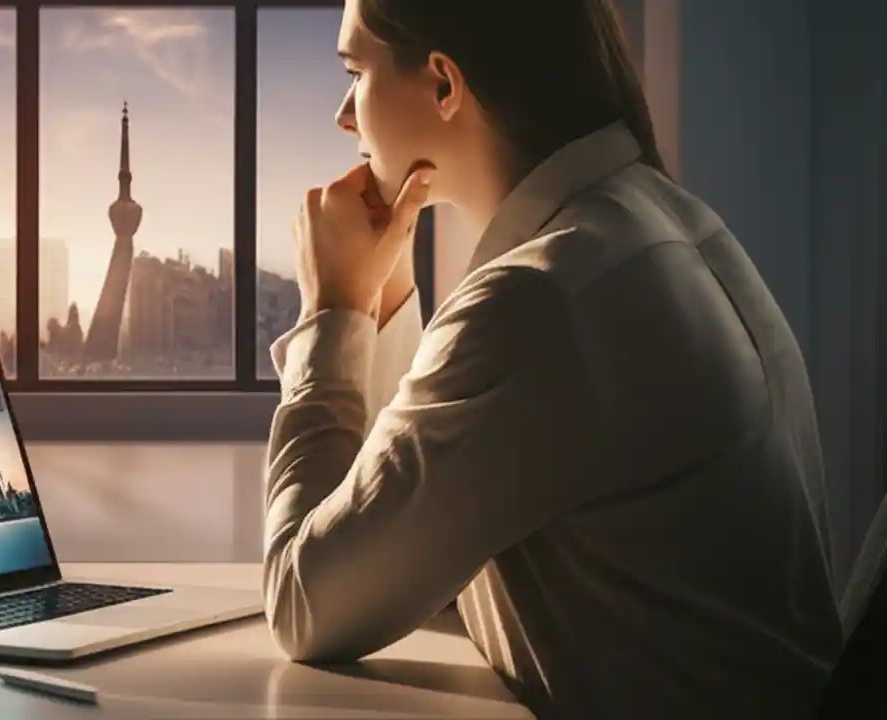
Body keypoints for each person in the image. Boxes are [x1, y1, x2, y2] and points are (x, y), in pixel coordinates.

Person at [263, 1, 845, 717]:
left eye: (355, 72)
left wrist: (333, 312)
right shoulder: (655, 229)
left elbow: (306, 603)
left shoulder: (542, 298)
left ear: (445, 84)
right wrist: (380, 295)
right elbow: (407, 544)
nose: (343, 116)